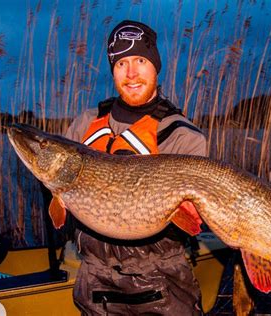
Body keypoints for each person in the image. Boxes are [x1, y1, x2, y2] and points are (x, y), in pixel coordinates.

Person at [64, 20, 208, 315]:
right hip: (95, 281)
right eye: (121, 64)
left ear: (156, 65)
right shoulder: (84, 124)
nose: (131, 73)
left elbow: (191, 221)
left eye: (140, 60)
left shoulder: (183, 136)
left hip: (161, 283)